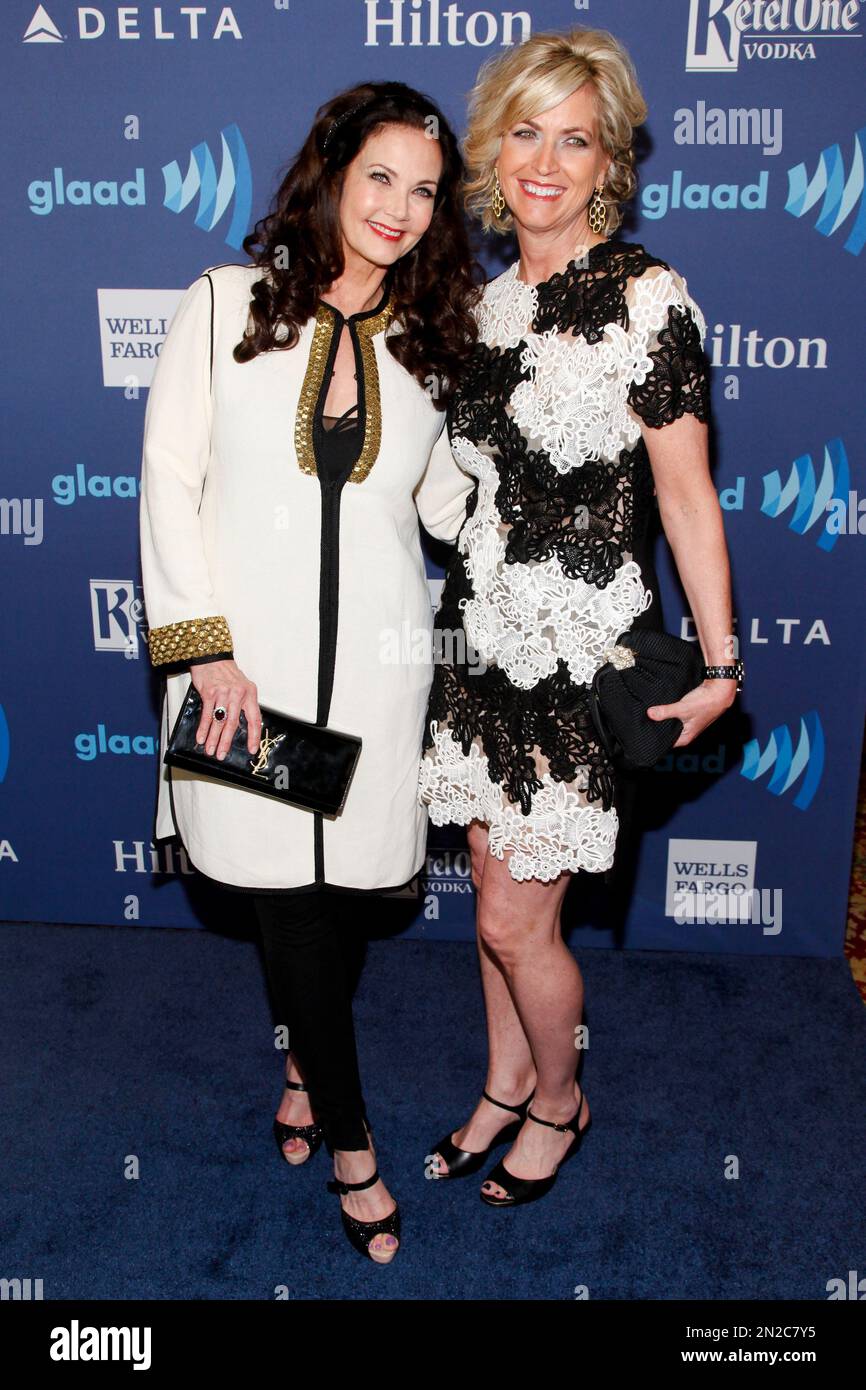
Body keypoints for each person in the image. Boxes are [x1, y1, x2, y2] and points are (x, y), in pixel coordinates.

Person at [139, 81, 480, 1262]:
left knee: (341, 907)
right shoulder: (224, 306)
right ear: (330, 172)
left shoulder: (434, 346)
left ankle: (300, 1054)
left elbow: (446, 506)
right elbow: (168, 482)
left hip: (382, 687)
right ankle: (353, 1144)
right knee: (286, 899)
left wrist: (549, 496)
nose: (399, 207)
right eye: (379, 176)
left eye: (425, 191)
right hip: (247, 682)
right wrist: (204, 650)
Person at [417, 27, 741, 1206]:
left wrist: (719, 662)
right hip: (481, 638)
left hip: (577, 650)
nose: (543, 161)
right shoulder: (486, 303)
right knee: (492, 903)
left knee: (514, 915)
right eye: (524, 131)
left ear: (606, 162)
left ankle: (561, 1097)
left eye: (574, 138)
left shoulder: (645, 300)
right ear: (492, 148)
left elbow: (683, 492)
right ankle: (503, 1082)